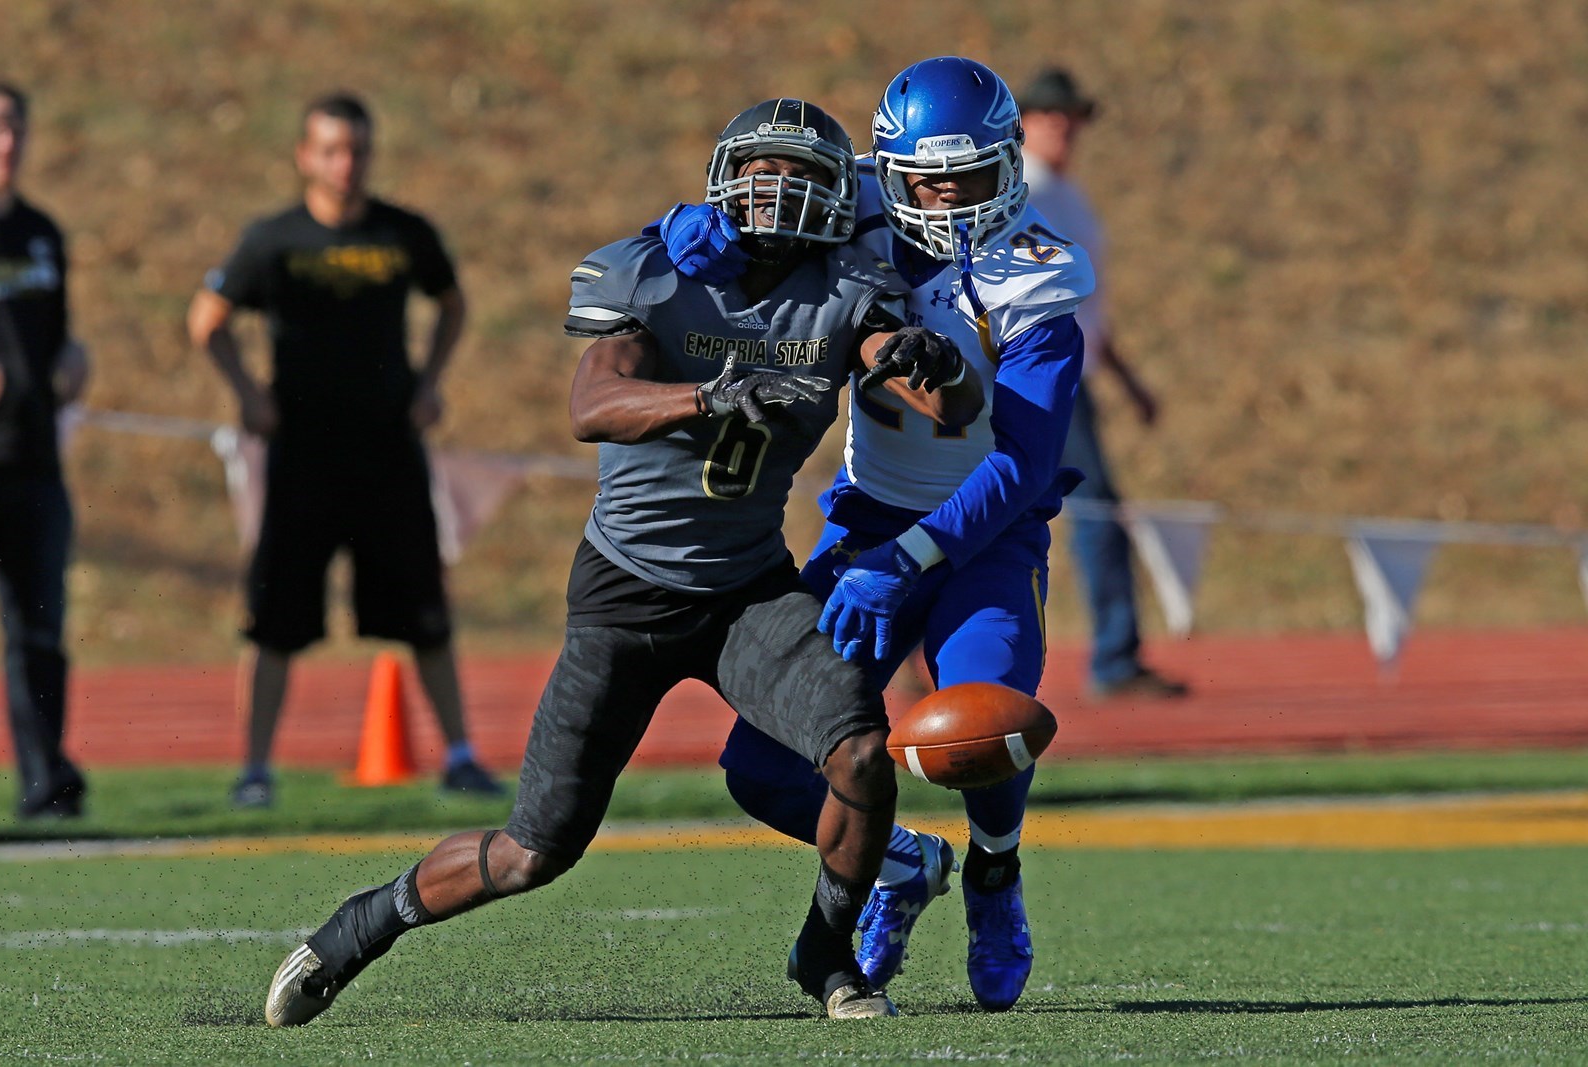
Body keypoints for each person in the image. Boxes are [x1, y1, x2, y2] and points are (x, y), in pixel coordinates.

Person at [261, 98, 979, 1025]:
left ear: (838, 195)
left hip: (746, 589)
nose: (779, 191)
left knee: (863, 755)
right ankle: (360, 924)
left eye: (801, 175)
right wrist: (713, 395)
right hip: (626, 591)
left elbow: (935, 398)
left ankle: (828, 956)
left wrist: (932, 361)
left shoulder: (846, 284)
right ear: (725, 176)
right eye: (763, 169)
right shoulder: (660, 268)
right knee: (534, 849)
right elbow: (594, 403)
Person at [656, 57, 1094, 1011]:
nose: (949, 200)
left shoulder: (1037, 272)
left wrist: (913, 556)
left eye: (972, 176)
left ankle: (994, 871)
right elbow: (736, 202)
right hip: (869, 523)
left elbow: (1020, 464)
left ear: (1010, 166)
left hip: (984, 537)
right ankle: (901, 864)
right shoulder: (847, 199)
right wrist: (683, 231)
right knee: (761, 767)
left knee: (984, 722)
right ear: (887, 171)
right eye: (929, 179)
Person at [187, 92, 501, 808]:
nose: (345, 164)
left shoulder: (403, 234)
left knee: (424, 608)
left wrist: (429, 384)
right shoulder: (274, 240)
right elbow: (206, 320)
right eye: (330, 149)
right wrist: (246, 393)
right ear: (304, 156)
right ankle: (255, 769)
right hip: (302, 458)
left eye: (356, 149)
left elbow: (452, 304)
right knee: (274, 614)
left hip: (388, 450)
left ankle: (459, 754)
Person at [1018, 67, 1188, 701]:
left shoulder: (1068, 194)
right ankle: (1115, 658)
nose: (1066, 129)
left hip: (1075, 375)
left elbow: (1085, 303)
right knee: (1095, 514)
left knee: (1043, 513)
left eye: (1073, 118)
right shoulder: (1022, 192)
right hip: (1039, 376)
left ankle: (905, 645)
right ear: (1024, 123)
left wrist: (1127, 378)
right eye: (1051, 117)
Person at [0, 81, 89, 819]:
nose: (6, 141)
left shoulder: (42, 233)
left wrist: (72, 360)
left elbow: (55, 335)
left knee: (39, 627)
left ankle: (42, 778)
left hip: (32, 462)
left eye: (15, 126)